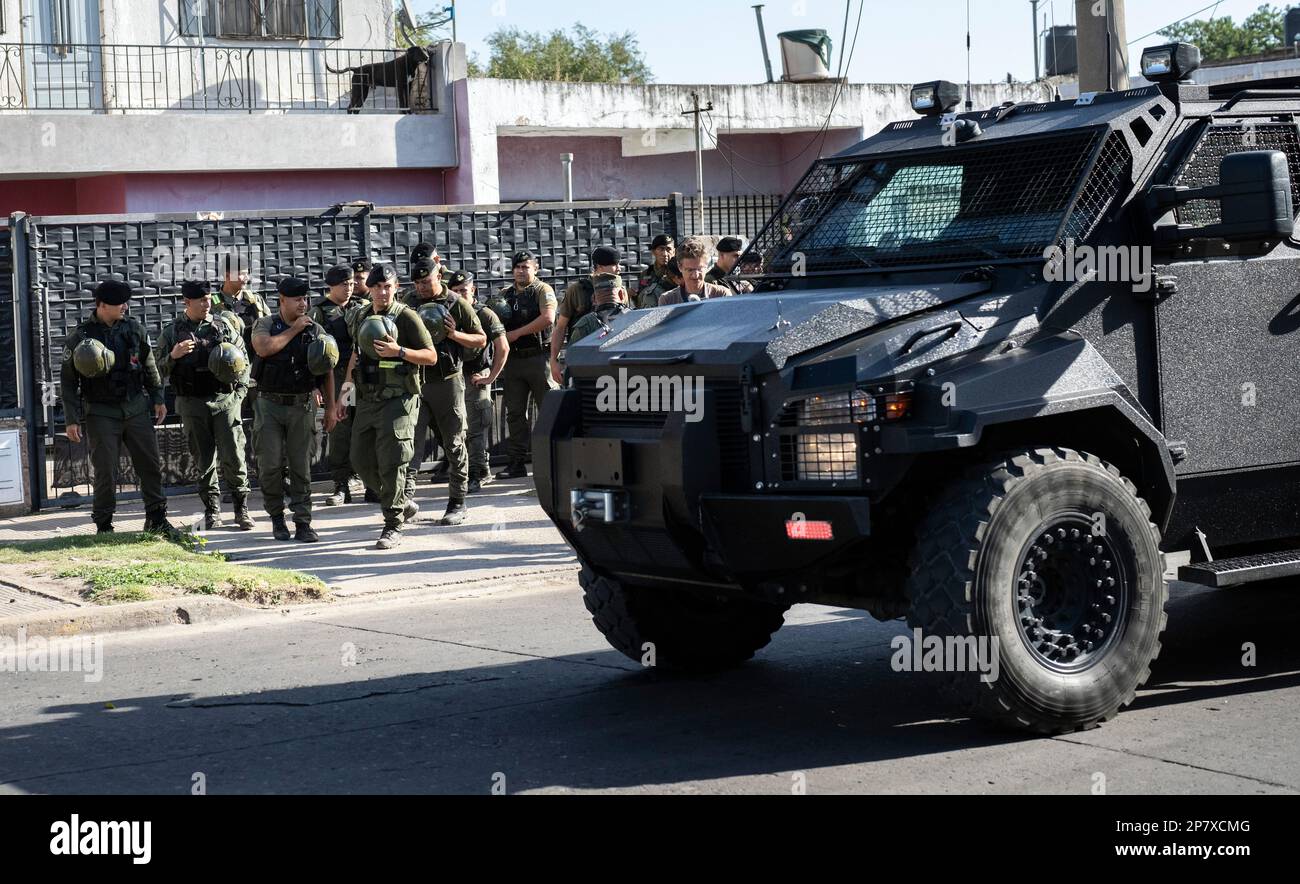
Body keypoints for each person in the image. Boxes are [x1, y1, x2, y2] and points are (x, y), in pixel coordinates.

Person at [60, 279, 179, 537]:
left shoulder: (134, 329)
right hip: (102, 412)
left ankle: (157, 518)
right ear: (102, 305)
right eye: (118, 303)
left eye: (126, 302)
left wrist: (158, 397)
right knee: (106, 470)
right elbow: (68, 383)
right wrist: (71, 419)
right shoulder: (80, 337)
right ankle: (104, 524)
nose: (124, 307)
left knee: (149, 464)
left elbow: (149, 366)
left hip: (135, 407)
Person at [340, 263, 440, 550]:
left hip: (400, 399)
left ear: (396, 288)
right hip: (369, 398)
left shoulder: (407, 317)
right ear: (369, 289)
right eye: (377, 287)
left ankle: (393, 524)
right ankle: (400, 501)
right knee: (359, 459)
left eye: (388, 286)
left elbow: (431, 356)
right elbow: (355, 359)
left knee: (392, 460)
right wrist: (345, 398)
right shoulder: (361, 315)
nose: (383, 292)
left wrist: (400, 352)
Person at [154, 280, 255, 532]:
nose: (207, 303)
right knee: (204, 459)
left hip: (225, 400)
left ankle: (241, 510)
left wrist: (240, 394)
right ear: (187, 302)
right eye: (201, 300)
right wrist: (173, 356)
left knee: (234, 455)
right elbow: (155, 369)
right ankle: (212, 511)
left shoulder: (224, 326)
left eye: (209, 298)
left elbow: (243, 361)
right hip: (192, 404)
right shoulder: (172, 332)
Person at [250, 277, 338, 543]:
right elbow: (263, 349)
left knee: (301, 467)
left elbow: (327, 369)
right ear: (282, 300)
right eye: (297, 299)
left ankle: (303, 522)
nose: (303, 304)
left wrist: (332, 407)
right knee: (270, 465)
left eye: (305, 299)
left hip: (301, 405)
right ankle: (277, 518)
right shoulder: (266, 324)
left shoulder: (315, 329)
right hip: (269, 405)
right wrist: (293, 330)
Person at [402, 262, 485, 525]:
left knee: (454, 442)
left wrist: (454, 333)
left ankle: (457, 503)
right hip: (417, 381)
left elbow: (481, 339)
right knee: (409, 443)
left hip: (447, 381)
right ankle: (405, 501)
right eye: (416, 283)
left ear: (439, 276)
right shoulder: (410, 301)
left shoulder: (456, 303)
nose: (421, 288)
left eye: (425, 282)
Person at [311, 263, 372, 506]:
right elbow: (313, 352)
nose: (349, 288)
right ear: (330, 286)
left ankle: (370, 482)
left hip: (361, 375)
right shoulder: (319, 312)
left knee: (367, 428)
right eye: (342, 285)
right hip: (337, 378)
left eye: (350, 283)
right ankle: (341, 484)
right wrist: (315, 385)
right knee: (341, 429)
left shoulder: (361, 307)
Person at [494, 251, 558, 480]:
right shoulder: (505, 294)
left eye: (526, 267)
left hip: (539, 359)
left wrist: (515, 334)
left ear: (535, 268)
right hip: (514, 361)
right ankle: (517, 462)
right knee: (515, 414)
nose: (521, 271)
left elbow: (548, 318)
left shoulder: (543, 290)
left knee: (548, 410)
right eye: (517, 267)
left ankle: (553, 460)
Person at [449, 271, 509, 494]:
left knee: (475, 429)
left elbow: (503, 347)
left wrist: (491, 377)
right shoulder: (448, 314)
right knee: (457, 429)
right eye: (455, 291)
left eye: (463, 290)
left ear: (472, 290)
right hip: (455, 378)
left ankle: (478, 472)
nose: (459, 295)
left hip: (476, 377)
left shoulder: (485, 314)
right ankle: (467, 470)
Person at [550, 245, 621, 385]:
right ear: (599, 267)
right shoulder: (577, 290)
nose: (619, 268)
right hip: (583, 359)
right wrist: (554, 361)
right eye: (614, 264)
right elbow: (560, 327)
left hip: (611, 358)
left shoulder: (617, 288)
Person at [659, 237, 734, 305]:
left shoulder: (721, 295)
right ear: (680, 267)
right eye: (690, 270)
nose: (695, 275)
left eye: (699, 269)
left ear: (707, 266)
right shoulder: (667, 300)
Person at [567, 273, 631, 346]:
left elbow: (573, 354)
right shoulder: (635, 317)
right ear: (621, 295)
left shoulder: (586, 323)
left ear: (593, 298)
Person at [634, 234, 676, 308]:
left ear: (674, 251)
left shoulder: (679, 273)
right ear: (654, 252)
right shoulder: (646, 274)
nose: (665, 254)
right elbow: (640, 300)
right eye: (661, 249)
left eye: (668, 249)